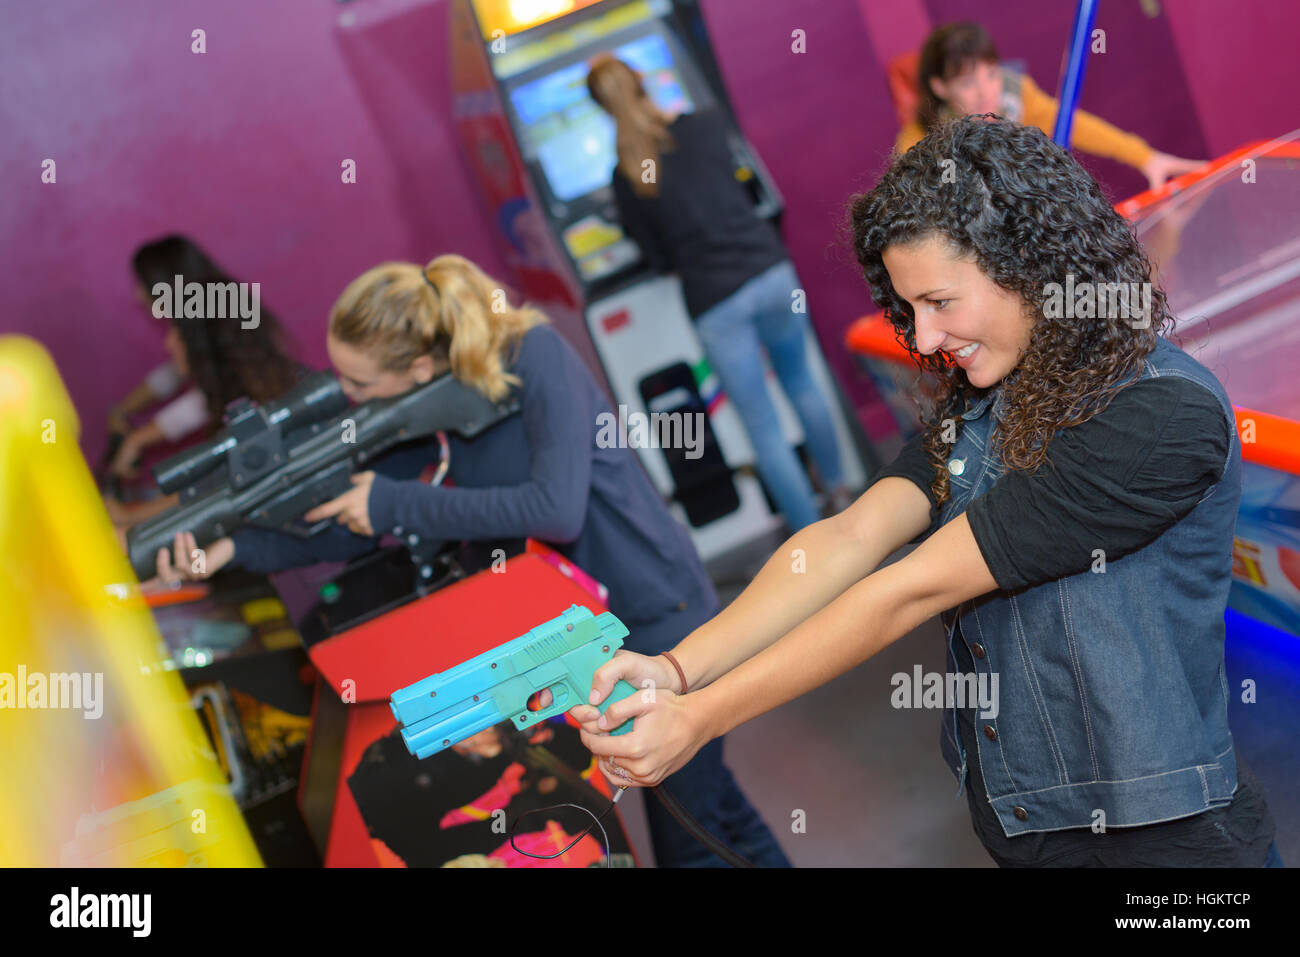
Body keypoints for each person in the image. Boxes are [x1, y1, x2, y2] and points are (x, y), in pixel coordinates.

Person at [569, 117, 1283, 868]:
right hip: (1030, 823)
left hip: (1166, 846)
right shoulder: (992, 395)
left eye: (941, 301)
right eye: (910, 308)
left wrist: (700, 718)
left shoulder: (1159, 414)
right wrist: (677, 669)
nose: (927, 335)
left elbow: (905, 590)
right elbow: (846, 539)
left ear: (1029, 266)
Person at [151, 253, 791, 868]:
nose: (345, 397)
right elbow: (355, 523)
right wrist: (235, 548)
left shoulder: (534, 356)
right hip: (587, 636)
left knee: (688, 834)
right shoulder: (419, 409)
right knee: (713, 814)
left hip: (654, 613)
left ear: (422, 366)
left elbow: (554, 508)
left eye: (359, 383)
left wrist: (397, 501)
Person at [586, 55, 852, 531]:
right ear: (643, 83)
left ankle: (811, 537)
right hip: (769, 272)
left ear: (603, 109)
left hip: (716, 300)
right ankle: (841, 495)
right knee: (803, 386)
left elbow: (659, 256)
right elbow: (744, 189)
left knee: (762, 426)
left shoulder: (629, 176)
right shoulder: (706, 125)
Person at [106, 236, 301, 524]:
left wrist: (126, 516)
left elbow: (215, 490)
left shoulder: (246, 416)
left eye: (142, 285)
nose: (138, 295)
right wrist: (125, 412)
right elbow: (180, 377)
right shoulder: (212, 316)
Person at [897, 22, 1202, 192]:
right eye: (966, 83)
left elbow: (1072, 124)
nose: (984, 92)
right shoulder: (920, 141)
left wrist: (1145, 157)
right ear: (940, 87)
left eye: (991, 75)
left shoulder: (1017, 96)